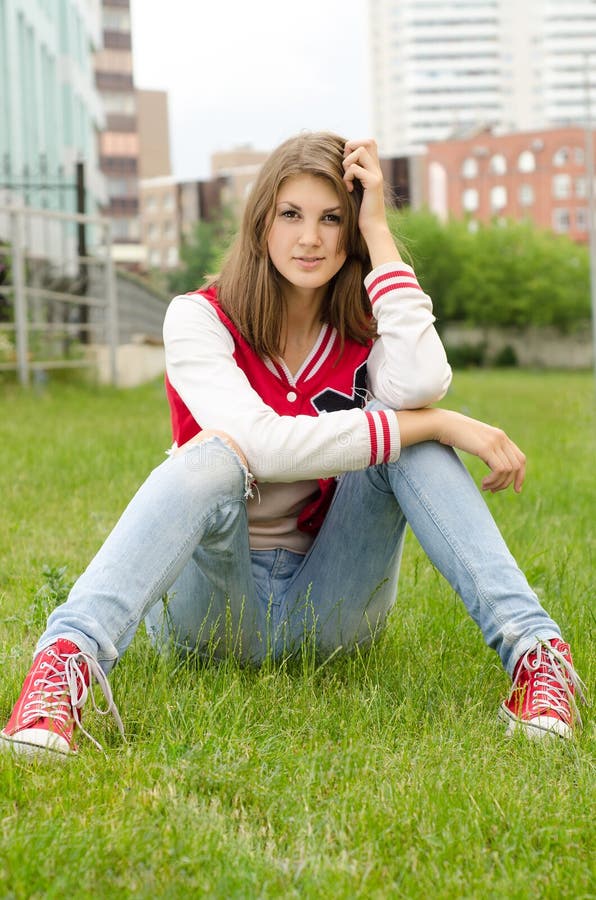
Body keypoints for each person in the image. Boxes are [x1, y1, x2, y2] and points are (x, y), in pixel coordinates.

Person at [0, 133, 585, 758]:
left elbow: (423, 381)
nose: (311, 237)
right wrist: (441, 424)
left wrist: (380, 231)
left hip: (329, 606)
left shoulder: (362, 331)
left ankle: (538, 659)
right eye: (292, 215)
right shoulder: (198, 318)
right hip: (213, 613)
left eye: (332, 218)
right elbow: (258, 445)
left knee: (408, 433)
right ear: (262, 225)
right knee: (222, 453)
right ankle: (63, 667)